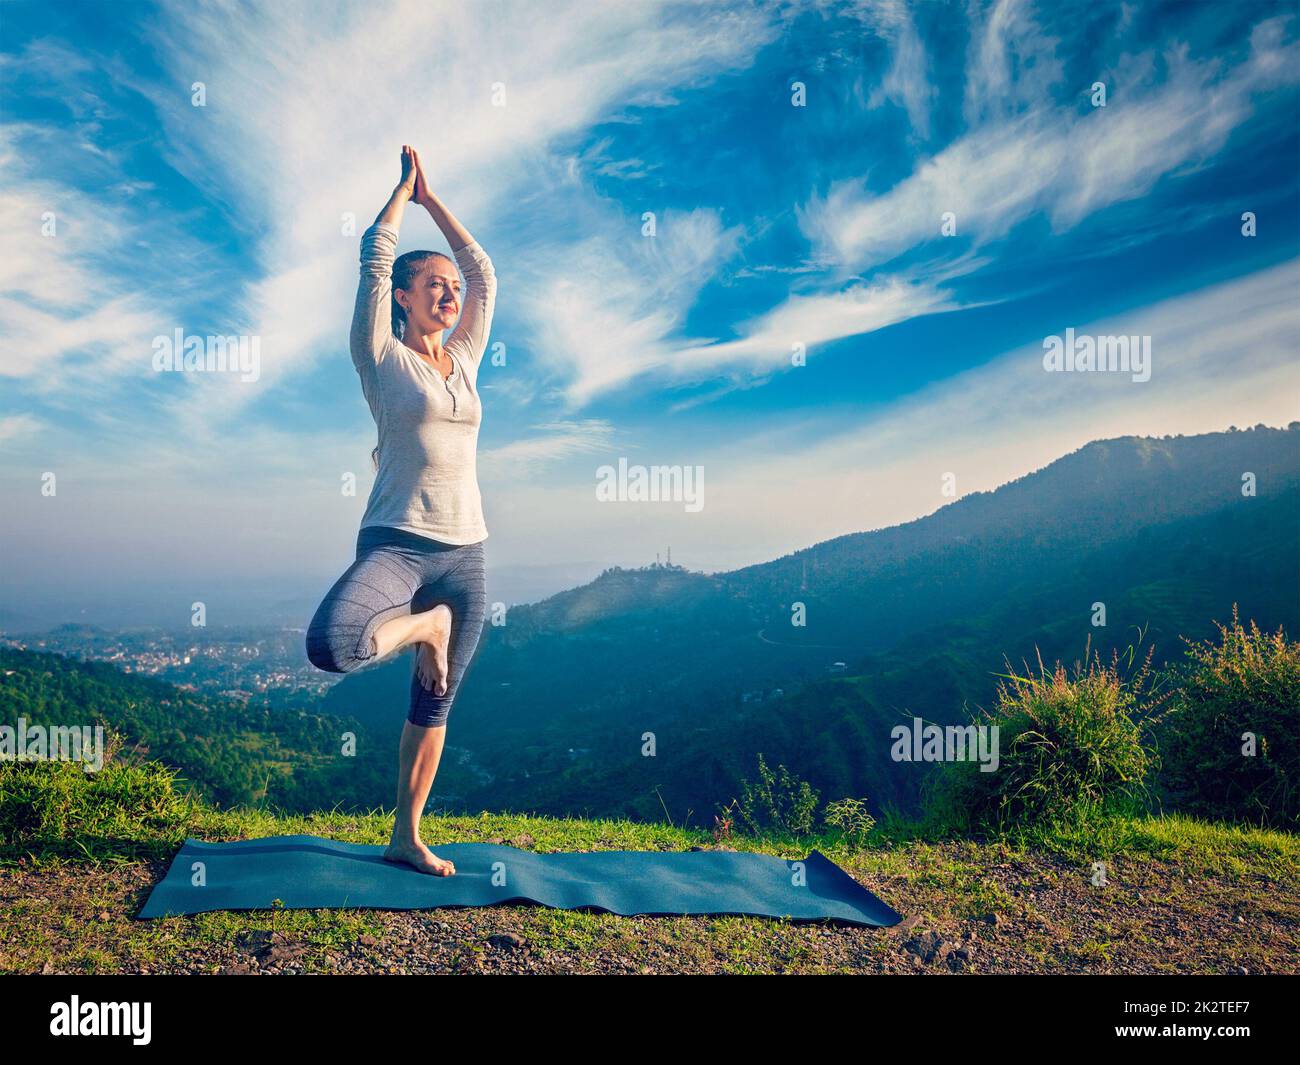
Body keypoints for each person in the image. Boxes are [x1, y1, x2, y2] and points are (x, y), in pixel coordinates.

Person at [306, 145, 495, 876]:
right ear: (405, 298)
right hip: (396, 544)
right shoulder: (382, 357)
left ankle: (405, 835)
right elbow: (374, 258)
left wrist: (437, 201)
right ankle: (427, 626)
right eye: (435, 286)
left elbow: (484, 271)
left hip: (468, 551)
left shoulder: (467, 360)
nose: (451, 293)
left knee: (434, 701)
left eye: (452, 288)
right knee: (333, 643)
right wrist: (401, 196)